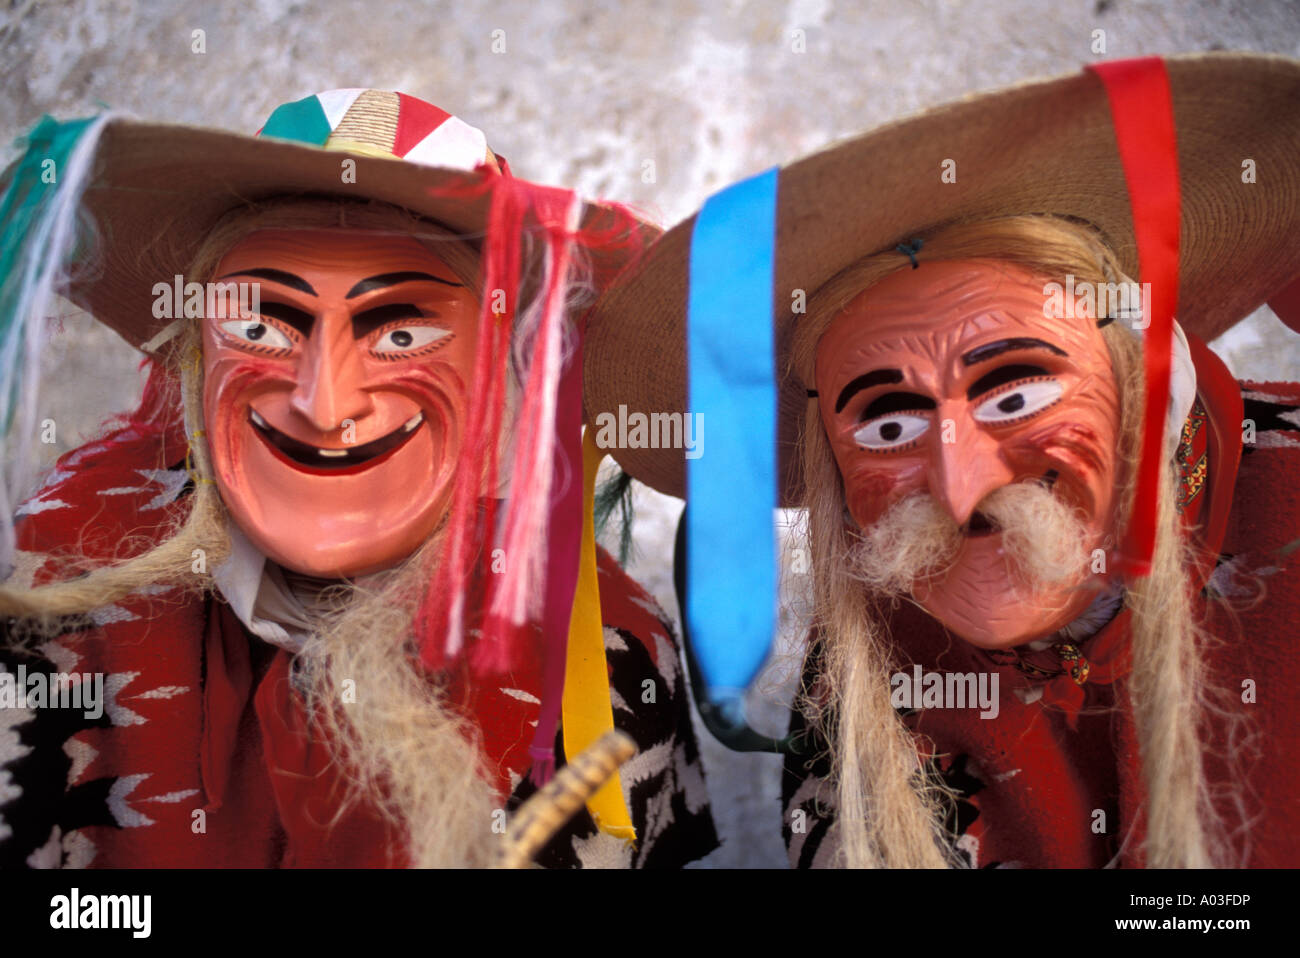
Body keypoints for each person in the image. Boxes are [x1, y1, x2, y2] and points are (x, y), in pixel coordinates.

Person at [581, 54, 1300, 867]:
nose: (962, 490)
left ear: (1140, 378)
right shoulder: (866, 666)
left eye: (1016, 394)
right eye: (888, 425)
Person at [0, 89, 717, 868]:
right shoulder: (41, 590)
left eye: (401, 332)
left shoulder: (609, 653)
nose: (324, 404)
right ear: (193, 353)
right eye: (260, 326)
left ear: (500, 378)